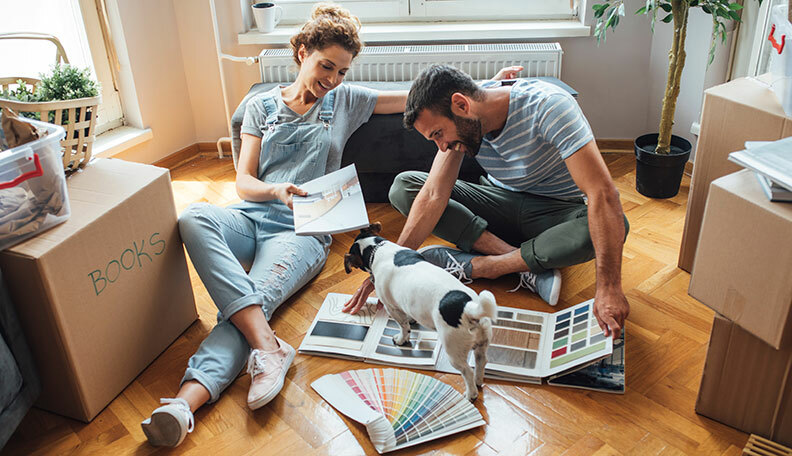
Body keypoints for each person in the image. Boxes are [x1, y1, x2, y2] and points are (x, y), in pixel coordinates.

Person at [138, 4, 408, 447]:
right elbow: (243, 182)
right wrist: (276, 191)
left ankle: (183, 404)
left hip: (303, 232)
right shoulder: (261, 106)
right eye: (326, 66)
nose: (333, 79)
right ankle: (270, 348)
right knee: (193, 216)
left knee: (250, 303)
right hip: (251, 217)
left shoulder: (348, 101)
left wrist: (490, 86)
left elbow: (416, 95)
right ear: (301, 52)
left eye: (342, 70)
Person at [344, 64, 630, 341]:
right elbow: (433, 194)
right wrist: (390, 270)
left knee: (607, 229)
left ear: (461, 105)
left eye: (438, 134)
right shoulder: (465, 122)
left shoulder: (550, 106)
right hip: (499, 204)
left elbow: (602, 194)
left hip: (555, 212)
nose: (441, 147)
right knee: (404, 186)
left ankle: (483, 266)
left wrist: (609, 287)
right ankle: (524, 264)